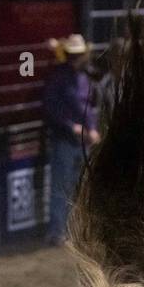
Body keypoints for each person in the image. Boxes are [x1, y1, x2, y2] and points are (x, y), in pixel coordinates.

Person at [41, 33, 98, 245]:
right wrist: (72, 126)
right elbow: (51, 107)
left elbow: (87, 107)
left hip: (81, 140)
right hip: (65, 138)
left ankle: (73, 229)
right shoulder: (59, 77)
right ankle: (57, 231)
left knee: (77, 185)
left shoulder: (81, 78)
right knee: (62, 185)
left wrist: (92, 128)